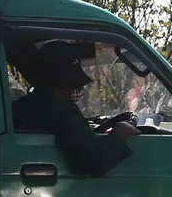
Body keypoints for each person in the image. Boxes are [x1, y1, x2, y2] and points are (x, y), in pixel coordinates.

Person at [11, 41, 139, 177]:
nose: (76, 89)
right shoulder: (59, 112)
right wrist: (120, 132)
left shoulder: (24, 106)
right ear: (64, 80)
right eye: (73, 84)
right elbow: (93, 162)